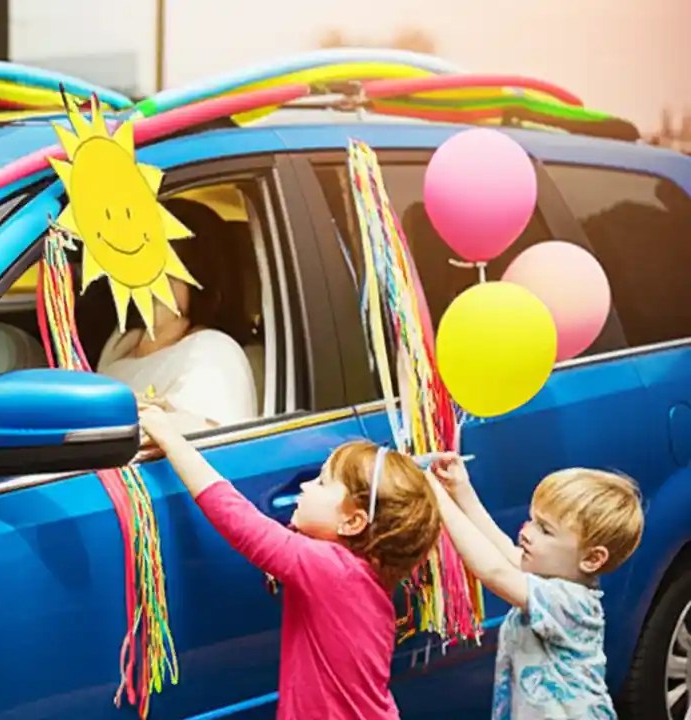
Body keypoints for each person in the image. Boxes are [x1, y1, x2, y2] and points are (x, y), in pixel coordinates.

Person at [140, 406, 442, 720]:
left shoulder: (331, 570)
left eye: (322, 483)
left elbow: (240, 523)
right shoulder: (359, 573)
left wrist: (170, 438)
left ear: (353, 522)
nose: (305, 486)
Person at [427, 454, 645, 719]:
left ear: (591, 558)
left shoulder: (569, 602)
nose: (526, 532)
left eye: (545, 530)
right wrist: (461, 491)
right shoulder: (549, 580)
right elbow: (505, 551)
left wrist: (435, 496)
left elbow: (494, 571)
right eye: (532, 520)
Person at [97, 200, 256, 432]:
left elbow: (208, 449)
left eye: (165, 272)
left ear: (201, 279)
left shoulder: (213, 353)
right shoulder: (122, 339)